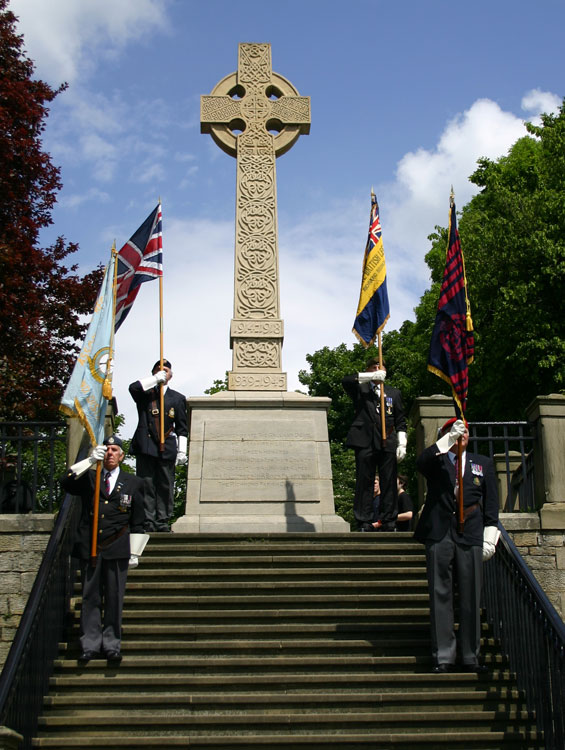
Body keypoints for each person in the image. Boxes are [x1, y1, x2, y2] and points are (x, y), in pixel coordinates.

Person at [414, 418, 500, 674]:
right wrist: (448, 438)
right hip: (440, 532)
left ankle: (471, 656)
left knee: (471, 595)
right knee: (440, 595)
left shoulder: (481, 464)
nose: (461, 436)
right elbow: (421, 463)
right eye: (455, 432)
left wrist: (490, 536)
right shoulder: (437, 461)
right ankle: (443, 656)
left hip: (470, 532)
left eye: (464, 433)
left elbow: (492, 504)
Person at [61, 435, 145, 663]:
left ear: (121, 456)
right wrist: (89, 461)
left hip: (117, 546)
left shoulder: (133, 483)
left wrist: (135, 551)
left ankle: (111, 644)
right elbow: (66, 482)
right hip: (92, 547)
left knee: (114, 597)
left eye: (114, 449)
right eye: (106, 449)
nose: (109, 453)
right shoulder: (90, 478)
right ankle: (89, 644)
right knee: (90, 597)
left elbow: (138, 519)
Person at [342, 357, 407, 532]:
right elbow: (346, 380)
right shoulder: (361, 389)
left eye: (381, 367)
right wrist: (368, 376)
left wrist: (402, 443)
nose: (378, 369)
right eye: (373, 366)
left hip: (388, 441)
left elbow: (400, 420)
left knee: (388, 482)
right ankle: (364, 521)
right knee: (365, 482)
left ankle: (389, 521)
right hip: (365, 441)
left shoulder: (394, 393)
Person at [129, 359, 188, 532]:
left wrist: (182, 451)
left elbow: (182, 427)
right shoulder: (145, 394)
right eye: (158, 370)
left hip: (167, 446)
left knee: (165, 485)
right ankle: (147, 520)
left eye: (166, 370)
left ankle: (162, 520)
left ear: (171, 375)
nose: (163, 372)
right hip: (146, 445)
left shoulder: (177, 398)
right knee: (146, 484)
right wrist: (155, 380)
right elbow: (133, 388)